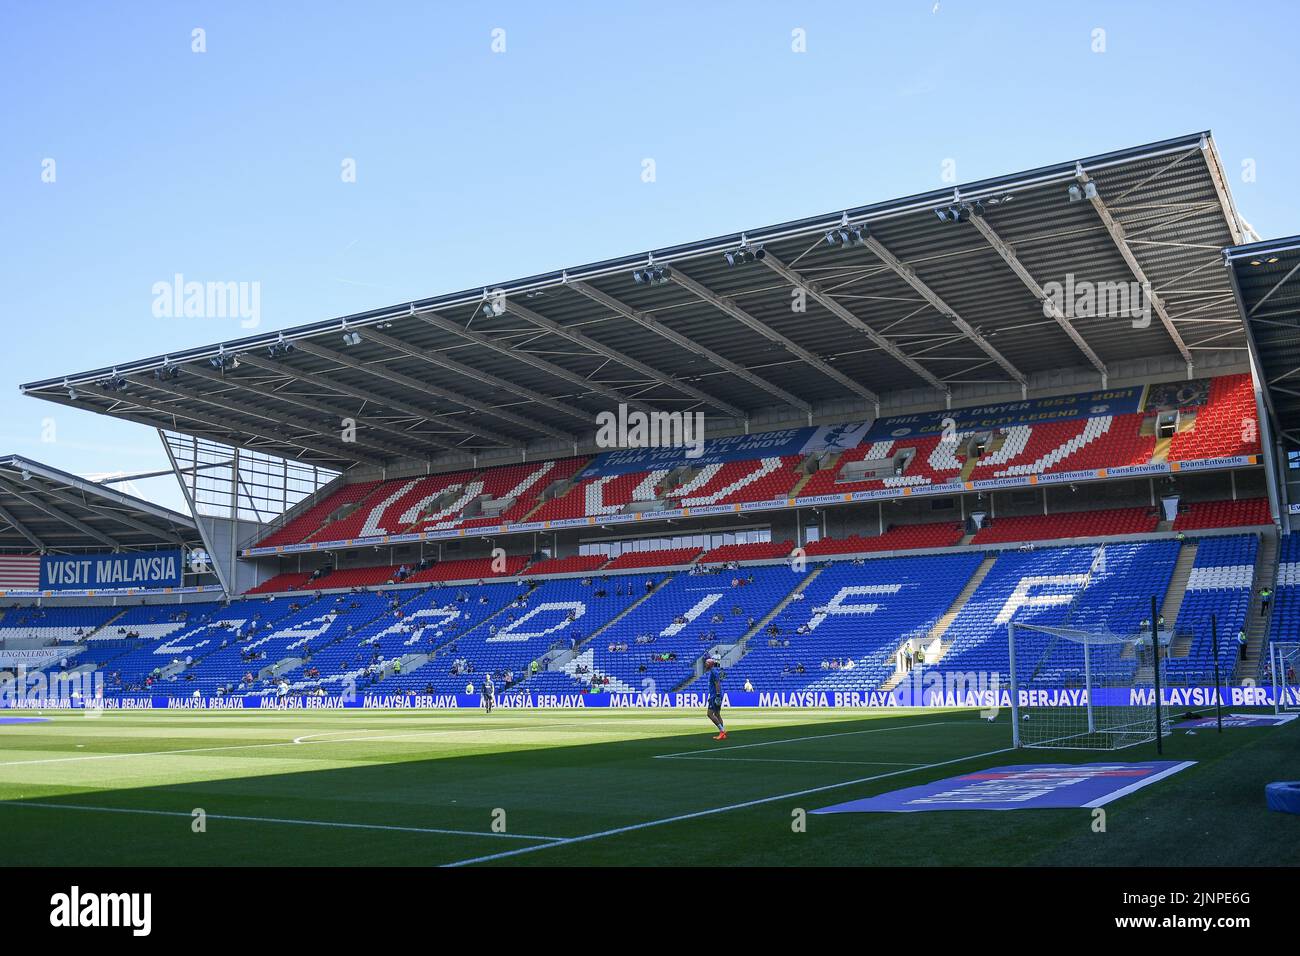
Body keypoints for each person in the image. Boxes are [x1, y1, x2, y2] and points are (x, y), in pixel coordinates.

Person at [704, 657, 726, 741]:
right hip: (714, 695)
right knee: (717, 714)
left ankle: (722, 731)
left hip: (715, 696)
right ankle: (722, 733)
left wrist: (717, 695)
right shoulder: (713, 672)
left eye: (706, 663)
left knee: (709, 714)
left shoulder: (713, 672)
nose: (705, 664)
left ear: (710, 664)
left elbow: (717, 684)